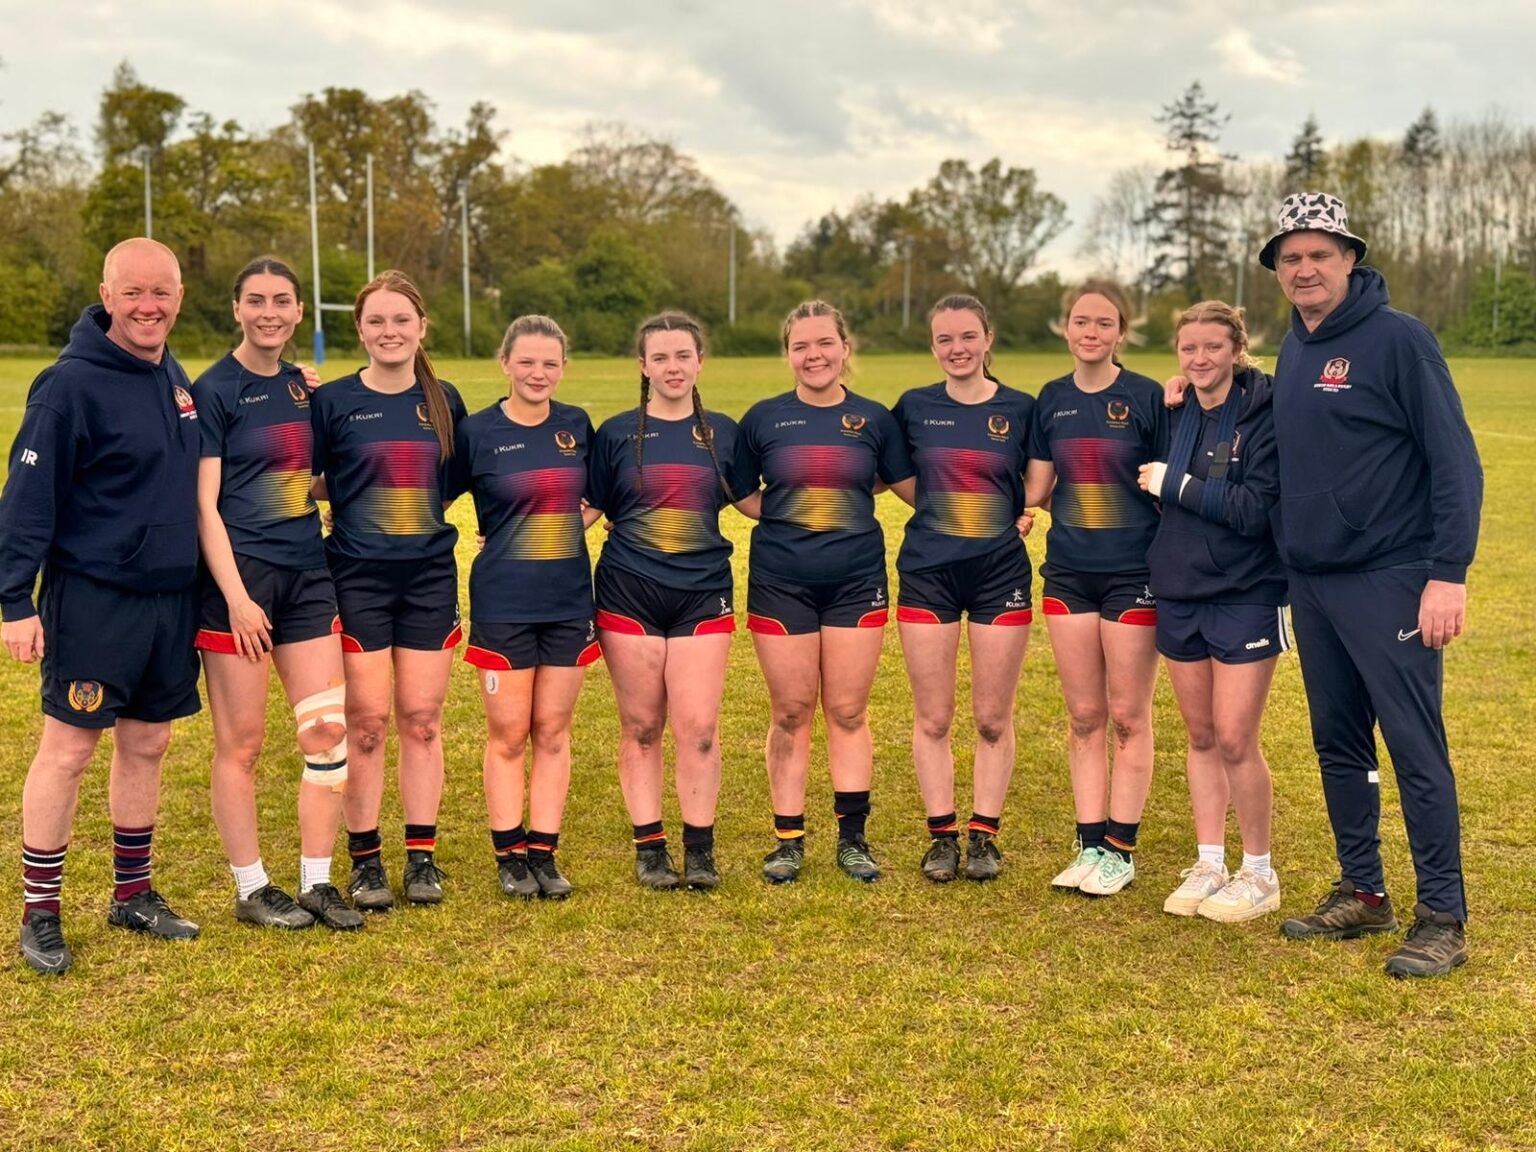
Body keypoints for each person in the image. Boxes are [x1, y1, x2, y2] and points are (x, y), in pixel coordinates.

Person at [1248, 193, 1480, 976]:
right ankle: (1364, 892)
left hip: (1391, 578)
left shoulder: (1399, 340)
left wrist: (1447, 575)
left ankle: (1442, 916)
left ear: (1350, 258)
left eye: (1319, 253)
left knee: (1413, 745)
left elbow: (1455, 461)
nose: (1304, 268)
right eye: (1290, 258)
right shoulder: (1295, 348)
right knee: (1339, 743)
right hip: (1314, 583)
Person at [1, 238, 203, 975]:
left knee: (147, 743)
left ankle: (132, 893)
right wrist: (13, 601)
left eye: (162, 292)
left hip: (169, 600)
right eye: (133, 292)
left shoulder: (174, 375)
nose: (149, 306)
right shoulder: (68, 385)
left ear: (180, 296)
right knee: (69, 749)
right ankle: (41, 912)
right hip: (94, 600)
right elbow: (26, 501)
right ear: (107, 293)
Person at [190, 256, 362, 932]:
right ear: (236, 308)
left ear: (298, 312)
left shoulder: (301, 388)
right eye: (257, 300)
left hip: (307, 579)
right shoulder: (214, 389)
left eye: (282, 301)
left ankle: (317, 881)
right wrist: (236, 598)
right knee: (243, 744)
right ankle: (252, 888)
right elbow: (204, 506)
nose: (270, 312)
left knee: (326, 732)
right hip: (240, 586)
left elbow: (308, 478)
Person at [736, 300, 915, 883]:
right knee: (790, 712)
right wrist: (793, 516)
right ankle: (788, 840)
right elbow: (742, 494)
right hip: (780, 583)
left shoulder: (874, 419)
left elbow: (899, 482)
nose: (813, 355)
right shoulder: (763, 419)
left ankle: (852, 839)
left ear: (844, 348)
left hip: (855, 582)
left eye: (824, 343)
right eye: (801, 346)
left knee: (848, 710)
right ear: (788, 354)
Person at [310, 270, 467, 911]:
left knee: (423, 722)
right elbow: (313, 479)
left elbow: (449, 483)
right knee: (368, 723)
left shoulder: (445, 400)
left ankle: (422, 857)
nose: (389, 331)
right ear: (360, 330)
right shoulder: (333, 400)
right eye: (376, 320)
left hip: (428, 577)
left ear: (421, 327)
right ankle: (366, 861)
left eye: (401, 319)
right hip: (357, 578)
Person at [587, 311, 759, 891]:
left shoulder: (725, 433)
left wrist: (844, 495)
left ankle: (700, 848)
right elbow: (588, 508)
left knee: (699, 728)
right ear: (643, 366)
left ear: (700, 362)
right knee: (641, 726)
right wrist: (510, 530)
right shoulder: (616, 434)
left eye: (682, 355)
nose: (672, 367)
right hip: (627, 592)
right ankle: (650, 847)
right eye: (660, 357)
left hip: (702, 593)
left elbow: (757, 501)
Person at [1138, 301, 1286, 923]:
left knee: (1234, 737)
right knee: (1200, 736)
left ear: (1237, 349)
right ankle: (1209, 861)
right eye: (1189, 348)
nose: (1200, 359)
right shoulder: (1173, 411)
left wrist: (1174, 484)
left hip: (1246, 592)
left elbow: (1255, 510)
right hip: (1179, 590)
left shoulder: (1264, 410)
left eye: (1213, 347)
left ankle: (1260, 871)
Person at [451, 315, 601, 902]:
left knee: (554, 732)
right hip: (503, 602)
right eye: (528, 361)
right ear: (505, 363)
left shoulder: (576, 425)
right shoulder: (477, 431)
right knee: (510, 734)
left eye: (550, 363)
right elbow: (433, 494)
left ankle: (544, 853)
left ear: (563, 368)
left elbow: (596, 499)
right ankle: (509, 856)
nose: (538, 373)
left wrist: (553, 527)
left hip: (568, 600)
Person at [1026, 280, 1166, 897]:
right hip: (1068, 575)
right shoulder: (1051, 399)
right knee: (1084, 716)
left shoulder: (1148, 396)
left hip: (1134, 575)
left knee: (1129, 716)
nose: (1091, 332)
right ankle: (1088, 844)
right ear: (1066, 328)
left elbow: (1165, 481)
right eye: (1081, 321)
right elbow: (1037, 487)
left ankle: (1121, 850)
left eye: (1104, 323)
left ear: (1121, 333)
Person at [891, 294, 1035, 883]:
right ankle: (942, 837)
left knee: (993, 717)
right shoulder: (913, 407)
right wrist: (946, 511)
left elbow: (1041, 480)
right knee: (933, 717)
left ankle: (984, 836)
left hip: (1000, 574)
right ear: (933, 347)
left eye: (968, 336)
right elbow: (897, 477)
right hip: (929, 573)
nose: (958, 348)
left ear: (988, 339)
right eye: (945, 339)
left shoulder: (1021, 408)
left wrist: (1016, 511)